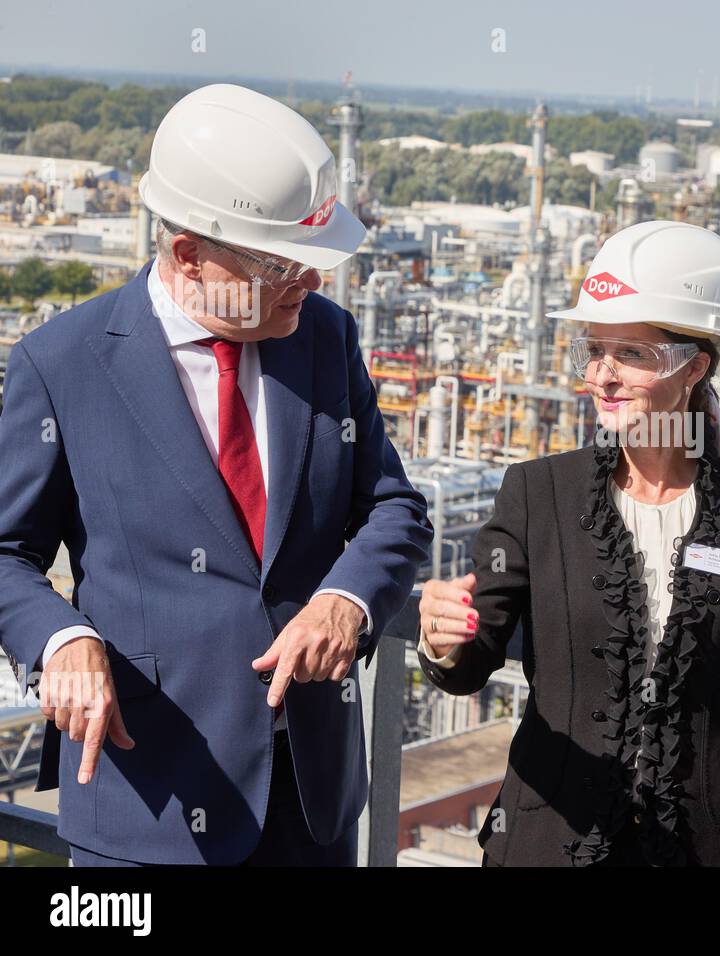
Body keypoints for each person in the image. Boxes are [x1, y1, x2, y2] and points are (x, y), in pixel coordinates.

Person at [0, 84, 433, 866]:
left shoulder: (326, 339)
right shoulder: (62, 364)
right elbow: (5, 553)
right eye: (281, 263)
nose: (313, 281)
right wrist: (59, 638)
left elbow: (393, 506)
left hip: (310, 805)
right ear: (189, 255)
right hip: (149, 801)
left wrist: (345, 600)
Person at [418, 220, 720, 866]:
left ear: (694, 367)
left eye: (630, 355)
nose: (602, 375)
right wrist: (440, 640)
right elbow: (470, 660)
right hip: (546, 846)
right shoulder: (538, 494)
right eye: (595, 351)